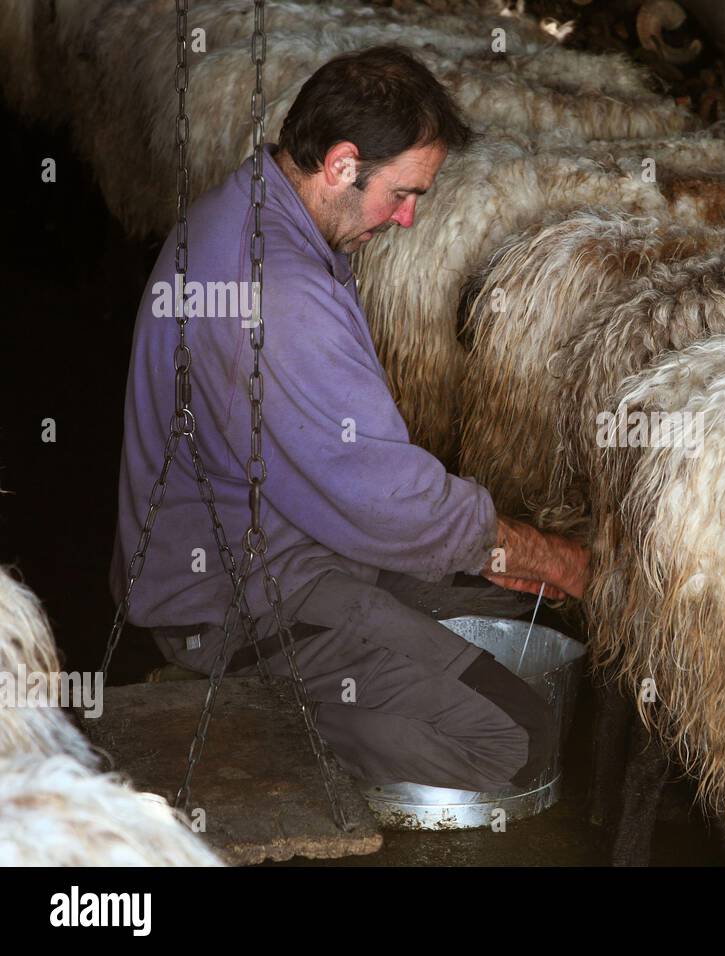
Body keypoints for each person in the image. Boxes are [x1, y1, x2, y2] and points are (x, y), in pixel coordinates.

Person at [110, 46, 588, 793]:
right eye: (402, 193)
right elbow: (385, 497)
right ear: (340, 164)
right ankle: (270, 726)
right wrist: (545, 554)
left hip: (280, 550)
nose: (407, 218)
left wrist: (499, 553)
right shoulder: (279, 295)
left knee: (500, 597)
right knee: (519, 737)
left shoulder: (249, 213)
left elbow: (355, 477)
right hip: (243, 601)